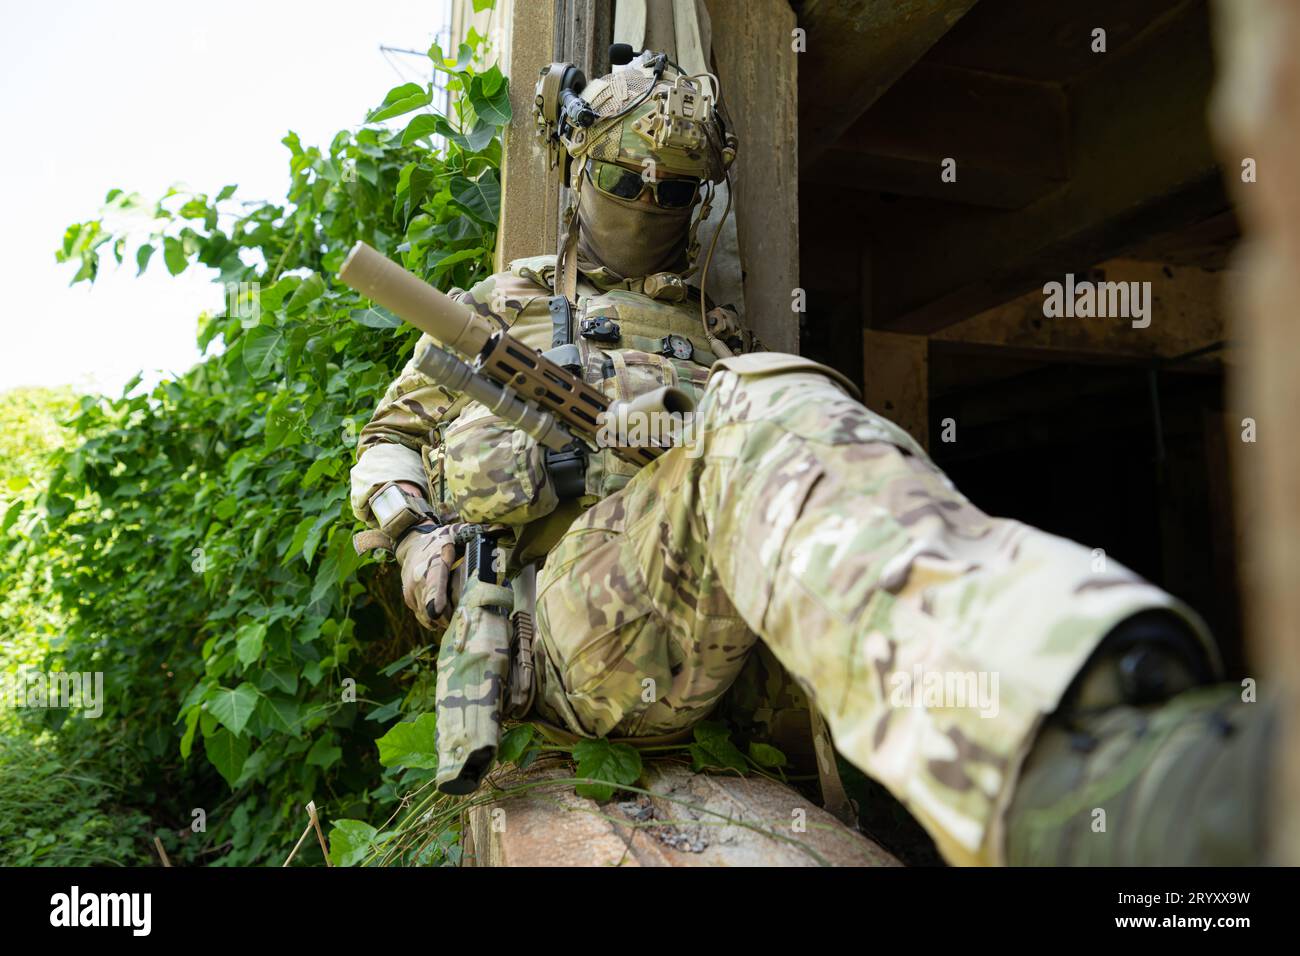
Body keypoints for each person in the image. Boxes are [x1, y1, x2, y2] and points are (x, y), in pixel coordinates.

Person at [349, 52, 1274, 866]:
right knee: (764, 394)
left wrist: (690, 416)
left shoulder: (713, 338)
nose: (647, 202)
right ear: (579, 167)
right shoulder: (497, 309)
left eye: (674, 191)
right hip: (557, 639)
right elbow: (387, 438)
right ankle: (1061, 747)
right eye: (625, 179)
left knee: (779, 394)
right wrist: (413, 536)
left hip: (700, 651)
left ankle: (1085, 718)